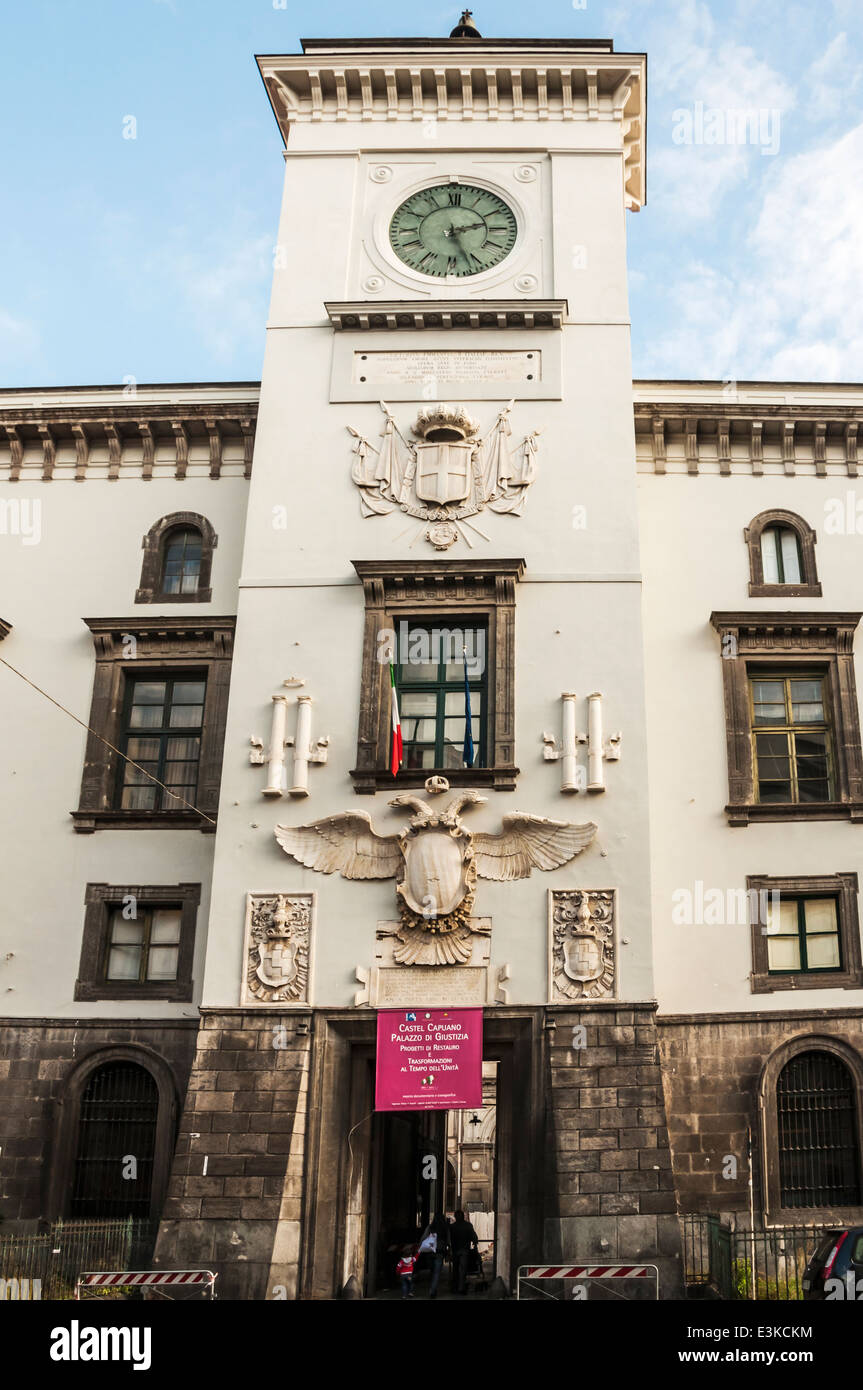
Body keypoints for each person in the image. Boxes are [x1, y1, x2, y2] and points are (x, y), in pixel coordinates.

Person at [450, 1209, 478, 1295]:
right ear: (463, 1216)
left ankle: (455, 1287)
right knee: (463, 1270)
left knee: (455, 1269)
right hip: (465, 1250)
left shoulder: (452, 1227)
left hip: (455, 1250)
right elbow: (474, 1236)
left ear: (455, 1217)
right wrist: (474, 1242)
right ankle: (461, 1288)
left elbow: (449, 1238)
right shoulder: (468, 1225)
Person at [424, 1212, 451, 1299]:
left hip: (430, 1252)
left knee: (432, 1272)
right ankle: (433, 1290)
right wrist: (448, 1249)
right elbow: (448, 1241)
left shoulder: (430, 1227)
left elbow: (424, 1237)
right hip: (440, 1252)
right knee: (436, 1273)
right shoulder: (445, 1228)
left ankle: (432, 1288)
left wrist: (420, 1248)